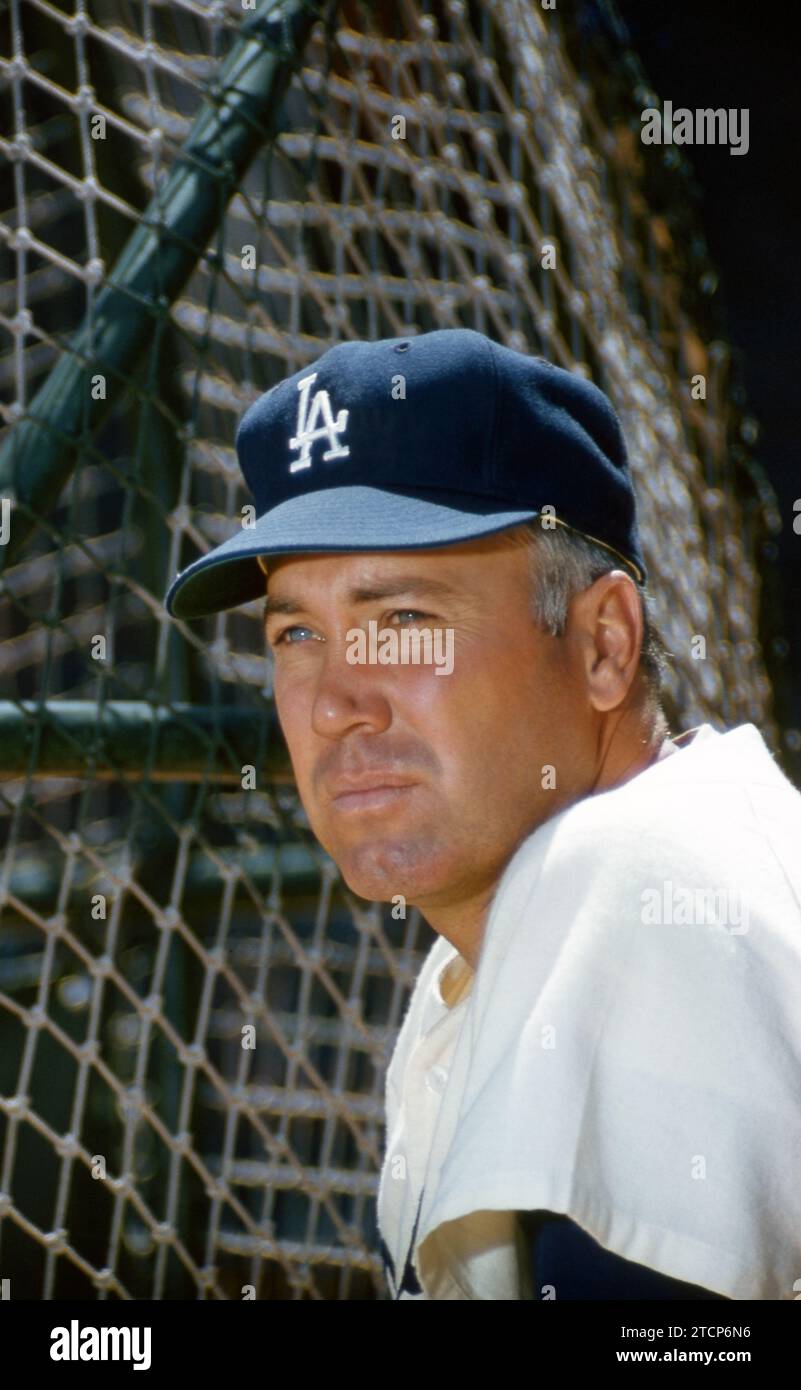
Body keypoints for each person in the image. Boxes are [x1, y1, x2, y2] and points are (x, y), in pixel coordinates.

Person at [165, 327, 801, 1301]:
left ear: (603, 644)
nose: (338, 700)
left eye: (404, 622)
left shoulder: (638, 881)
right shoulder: (508, 939)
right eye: (297, 632)